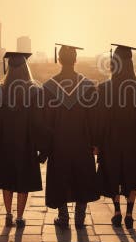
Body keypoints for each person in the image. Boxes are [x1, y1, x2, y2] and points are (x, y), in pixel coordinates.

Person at [96, 44, 136, 229]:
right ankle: (130, 213)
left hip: (111, 142)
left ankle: (116, 211)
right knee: (133, 175)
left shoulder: (104, 88)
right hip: (134, 142)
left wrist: (97, 143)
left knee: (113, 175)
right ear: (131, 63)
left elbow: (99, 119)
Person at [42, 43, 100, 229]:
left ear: (59, 60)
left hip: (58, 143)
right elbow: (94, 119)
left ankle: (63, 216)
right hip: (82, 142)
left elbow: (45, 120)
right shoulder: (88, 86)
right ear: (76, 60)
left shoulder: (49, 87)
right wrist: (95, 142)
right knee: (82, 176)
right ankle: (80, 217)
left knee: (60, 177)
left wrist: (45, 146)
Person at [0, 52, 43, 228]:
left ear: (9, 68)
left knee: (7, 178)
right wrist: (41, 147)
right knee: (23, 181)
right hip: (26, 144)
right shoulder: (35, 91)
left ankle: (8, 214)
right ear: (26, 68)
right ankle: (20, 217)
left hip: (4, 143)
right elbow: (38, 122)